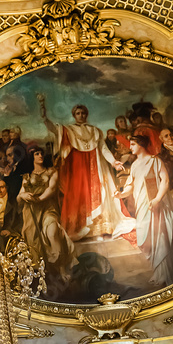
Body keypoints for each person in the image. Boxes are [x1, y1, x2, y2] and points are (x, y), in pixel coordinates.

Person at [38, 95, 134, 241]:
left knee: (99, 196)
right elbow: (53, 129)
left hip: (94, 169)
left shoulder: (95, 131)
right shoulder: (68, 130)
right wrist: (45, 117)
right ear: (74, 115)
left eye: (83, 113)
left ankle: (98, 231)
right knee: (80, 197)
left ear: (86, 114)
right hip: (78, 170)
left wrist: (114, 162)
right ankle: (81, 231)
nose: (81, 116)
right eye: (78, 113)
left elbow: (103, 148)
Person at [115, 135, 173, 286]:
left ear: (141, 145)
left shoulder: (154, 160)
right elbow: (130, 185)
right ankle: (158, 272)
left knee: (159, 237)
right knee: (147, 238)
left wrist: (157, 199)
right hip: (142, 205)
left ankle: (166, 274)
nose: (130, 147)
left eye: (133, 144)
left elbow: (165, 181)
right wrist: (121, 194)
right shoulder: (134, 165)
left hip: (155, 204)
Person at [17, 149, 74, 275]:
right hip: (31, 212)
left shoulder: (51, 172)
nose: (40, 155)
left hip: (48, 208)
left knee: (52, 232)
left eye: (41, 153)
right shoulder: (27, 176)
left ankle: (61, 268)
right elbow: (19, 196)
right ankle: (42, 271)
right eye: (37, 154)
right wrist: (23, 195)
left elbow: (52, 189)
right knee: (32, 240)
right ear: (31, 157)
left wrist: (38, 199)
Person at [0, 178, 21, 247]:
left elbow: (19, 221)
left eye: (2, 187)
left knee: (1, 241)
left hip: (9, 232)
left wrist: (10, 231)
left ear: (6, 188)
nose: (0, 191)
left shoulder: (14, 203)